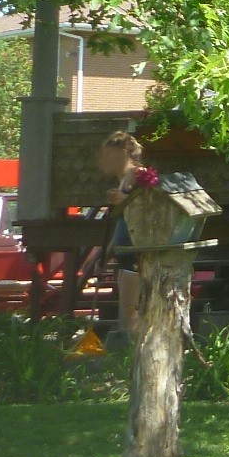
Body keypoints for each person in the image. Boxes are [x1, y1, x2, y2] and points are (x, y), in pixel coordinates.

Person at [95, 131, 149, 336]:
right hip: (123, 255)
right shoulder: (122, 180)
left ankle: (136, 351)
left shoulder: (139, 175)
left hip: (136, 256)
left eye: (110, 154)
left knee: (132, 318)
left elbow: (149, 208)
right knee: (125, 317)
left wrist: (124, 200)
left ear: (125, 152)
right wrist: (105, 255)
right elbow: (122, 223)